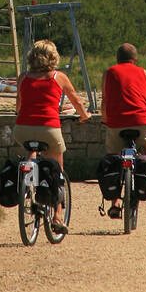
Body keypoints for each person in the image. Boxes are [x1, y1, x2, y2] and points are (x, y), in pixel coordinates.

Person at [15, 39, 89, 233]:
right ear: (53, 57)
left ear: (32, 57)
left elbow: (19, 107)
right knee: (58, 170)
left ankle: (30, 184)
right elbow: (77, 101)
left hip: (22, 128)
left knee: (30, 152)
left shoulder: (22, 77)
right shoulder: (58, 77)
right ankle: (57, 215)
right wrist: (84, 116)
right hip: (48, 128)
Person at [100, 45, 146, 213]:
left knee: (113, 157)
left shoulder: (108, 73)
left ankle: (114, 203)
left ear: (117, 59)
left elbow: (105, 101)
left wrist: (105, 119)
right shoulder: (145, 74)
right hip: (141, 122)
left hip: (116, 124)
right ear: (135, 60)